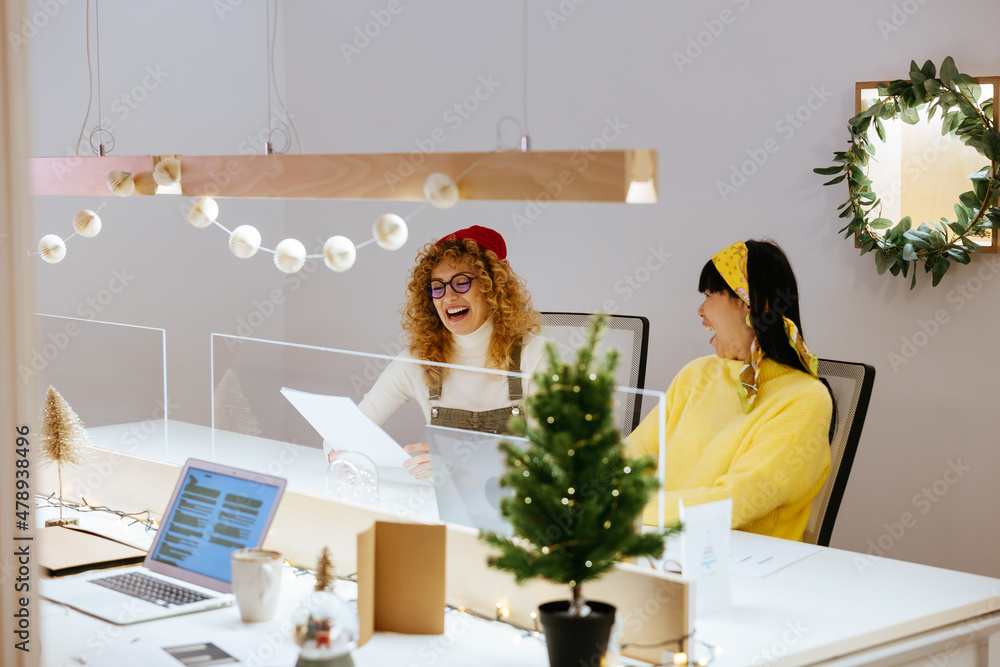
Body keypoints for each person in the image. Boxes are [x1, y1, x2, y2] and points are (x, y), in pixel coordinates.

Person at [627, 240, 834, 541]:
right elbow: (633, 458)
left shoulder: (804, 399)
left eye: (710, 295)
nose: (700, 310)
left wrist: (624, 512)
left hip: (740, 570)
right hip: (662, 546)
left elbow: (733, 502)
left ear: (748, 304)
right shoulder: (697, 374)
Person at [326, 225, 546, 479]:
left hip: (516, 511)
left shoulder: (535, 357)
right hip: (439, 507)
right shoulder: (419, 360)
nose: (448, 297)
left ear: (493, 285)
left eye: (461, 282)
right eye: (437, 287)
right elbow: (339, 437)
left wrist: (462, 461)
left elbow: (554, 457)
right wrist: (338, 453)